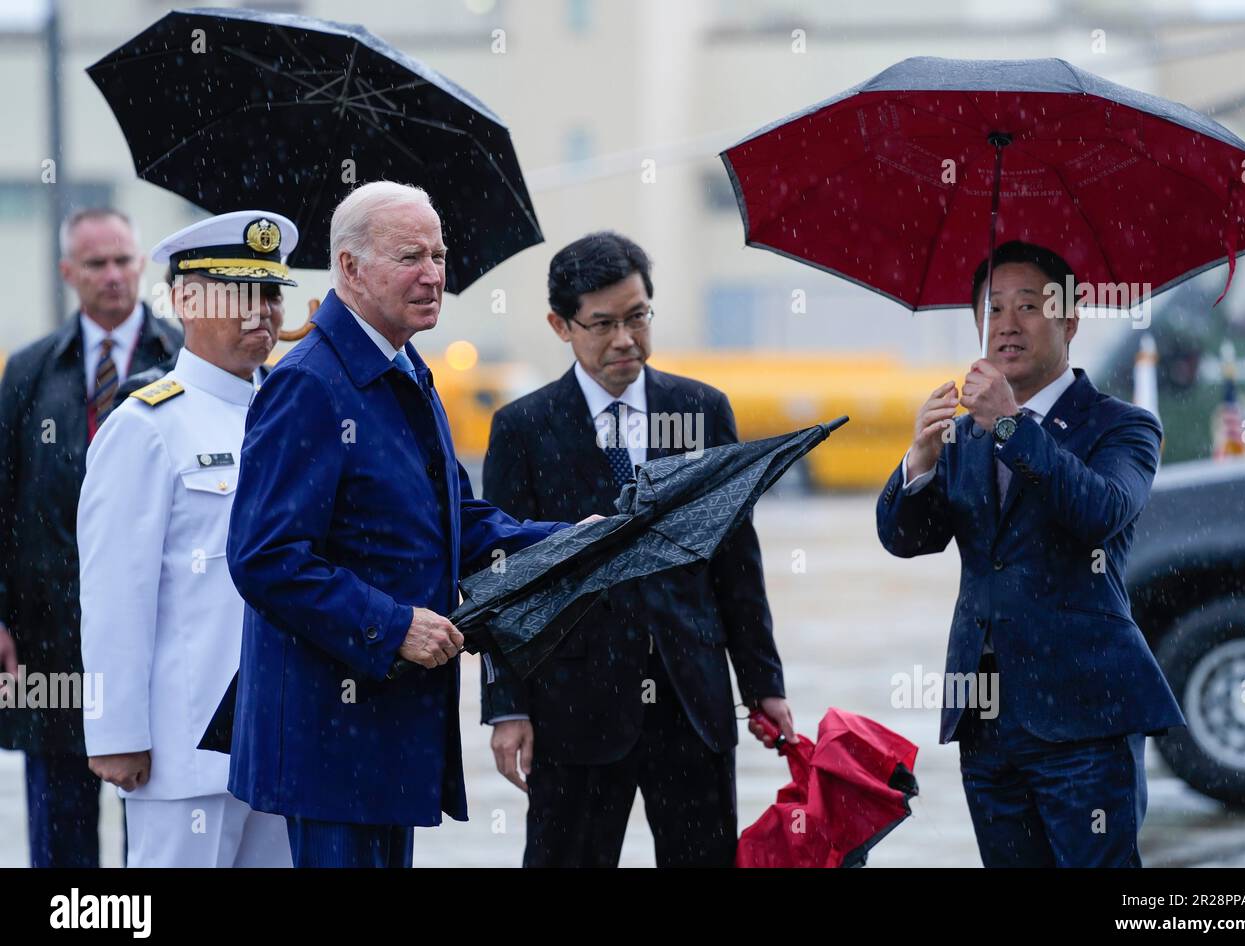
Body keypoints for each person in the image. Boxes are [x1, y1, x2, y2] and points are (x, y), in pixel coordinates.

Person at [224, 181, 576, 868]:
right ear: (350, 270)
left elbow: (455, 524)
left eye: (440, 255)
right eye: (412, 255)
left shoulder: (403, 368)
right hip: (332, 736)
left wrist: (575, 539)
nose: (435, 274)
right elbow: (264, 557)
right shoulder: (310, 383)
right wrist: (393, 626)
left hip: (384, 729)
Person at [481, 231, 792, 867]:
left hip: (692, 698)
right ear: (560, 325)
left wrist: (763, 682)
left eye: (637, 316)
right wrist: (506, 707)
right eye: (602, 324)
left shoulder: (701, 411)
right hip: (573, 706)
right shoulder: (523, 429)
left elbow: (737, 560)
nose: (624, 339)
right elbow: (502, 579)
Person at [875, 240, 1185, 867]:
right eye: (993, 309)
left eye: (1030, 305)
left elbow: (1099, 512)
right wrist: (920, 461)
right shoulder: (963, 432)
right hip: (985, 717)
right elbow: (906, 539)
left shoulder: (1122, 424)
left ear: (1070, 320)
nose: (1007, 324)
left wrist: (1012, 425)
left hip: (1085, 715)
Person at [78, 210, 300, 867]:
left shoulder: (290, 414)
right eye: (240, 293)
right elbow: (116, 591)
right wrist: (116, 732)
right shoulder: (147, 425)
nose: (261, 310)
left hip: (282, 734)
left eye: (270, 293)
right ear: (184, 300)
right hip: (184, 746)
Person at [0, 207, 183, 867]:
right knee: (59, 827)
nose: (114, 275)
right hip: (51, 639)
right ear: (67, 272)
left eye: (125, 260)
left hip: (157, 631)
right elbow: (1, 495)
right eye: (97, 263)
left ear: (141, 264)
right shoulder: (30, 372)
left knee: (158, 822)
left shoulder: (181, 359)